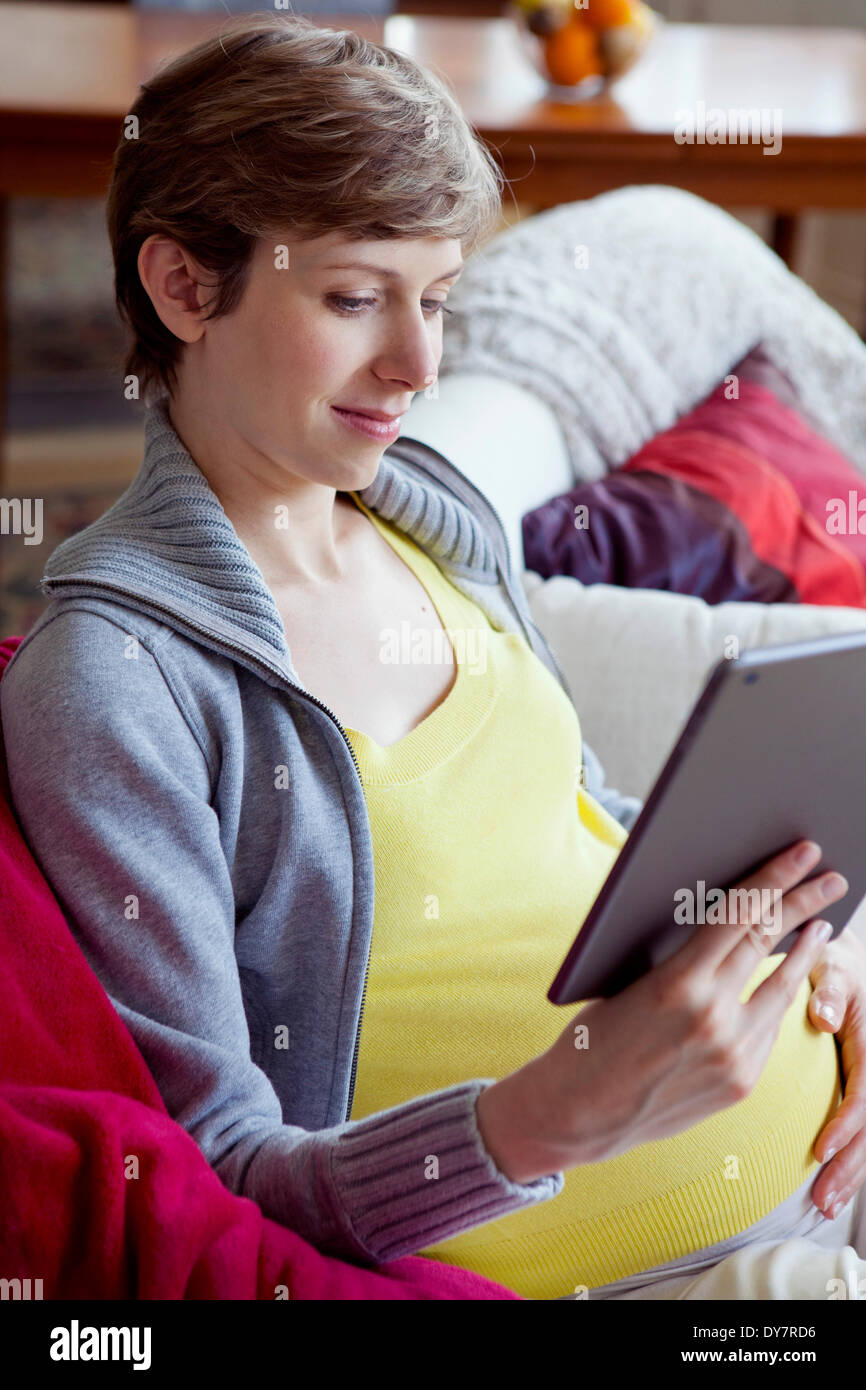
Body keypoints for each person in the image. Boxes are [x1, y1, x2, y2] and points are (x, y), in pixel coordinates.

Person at [2, 14, 865, 1302]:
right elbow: (221, 1176)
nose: (418, 366)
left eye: (441, 299)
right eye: (355, 300)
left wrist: (815, 964)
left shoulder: (433, 523)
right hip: (677, 1277)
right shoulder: (119, 684)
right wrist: (555, 1119)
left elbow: (576, 826)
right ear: (184, 288)